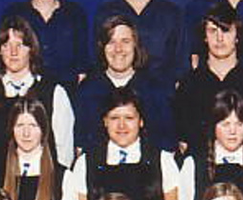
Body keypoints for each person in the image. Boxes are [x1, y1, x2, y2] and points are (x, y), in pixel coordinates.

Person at [71, 87, 180, 200]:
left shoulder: (163, 160)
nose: (121, 125)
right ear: (105, 121)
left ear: (141, 121)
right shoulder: (85, 163)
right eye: (114, 118)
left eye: (129, 118)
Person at [0, 16, 75, 172]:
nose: (13, 52)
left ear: (31, 49)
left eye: (20, 45)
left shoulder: (54, 93)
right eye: (6, 45)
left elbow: (64, 151)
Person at [173, 3, 243, 156]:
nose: (219, 38)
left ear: (237, 36)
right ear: (204, 37)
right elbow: (184, 144)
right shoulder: (189, 84)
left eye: (226, 30)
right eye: (212, 31)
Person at [73, 16, 174, 153]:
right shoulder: (87, 91)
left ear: (135, 46)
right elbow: (80, 146)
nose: (118, 49)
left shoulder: (156, 90)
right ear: (102, 47)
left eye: (125, 41)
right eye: (111, 42)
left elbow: (167, 146)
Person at [2, 0, 90, 91]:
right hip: (26, 94)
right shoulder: (14, 14)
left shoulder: (75, 14)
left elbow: (83, 66)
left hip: (67, 93)